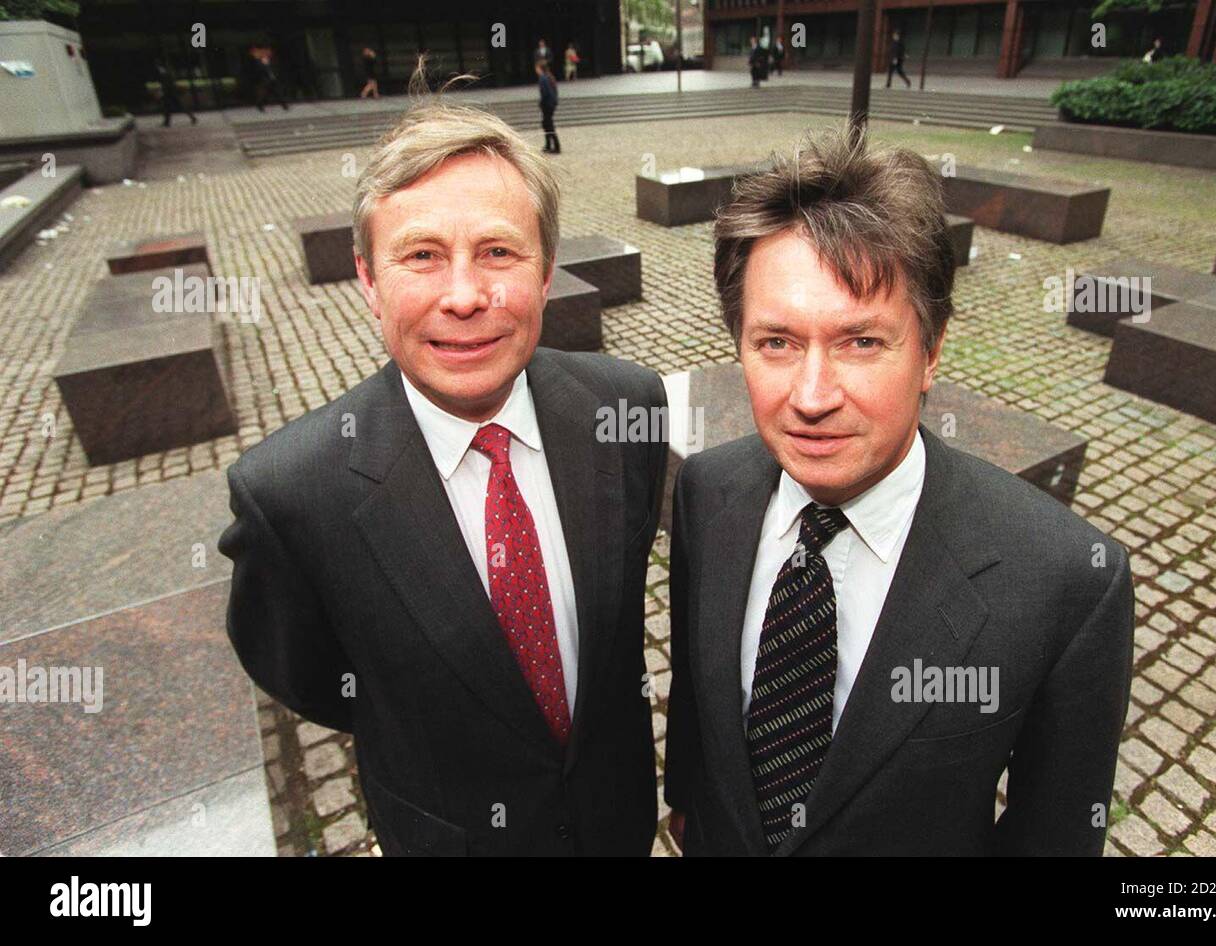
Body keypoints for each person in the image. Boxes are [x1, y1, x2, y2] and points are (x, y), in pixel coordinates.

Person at [663, 125, 1134, 856]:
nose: (812, 396)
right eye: (777, 342)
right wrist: (687, 803)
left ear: (932, 351)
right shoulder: (703, 489)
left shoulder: (1066, 582)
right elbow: (699, 698)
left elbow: (1057, 833)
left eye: (862, 342)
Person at [219, 101, 667, 856]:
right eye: (421, 256)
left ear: (548, 270)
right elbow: (312, 678)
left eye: (498, 252)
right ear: (367, 278)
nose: (464, 296)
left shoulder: (626, 408)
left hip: (617, 821)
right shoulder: (291, 494)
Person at [154, 57, 196, 127]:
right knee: (171, 106)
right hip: (170, 91)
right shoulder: (165, 69)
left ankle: (167, 122)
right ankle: (167, 122)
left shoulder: (162, 70)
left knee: (170, 106)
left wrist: (163, 91)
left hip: (169, 91)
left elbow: (166, 82)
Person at [250, 45, 289, 111]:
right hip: (265, 80)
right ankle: (260, 106)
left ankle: (284, 105)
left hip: (273, 79)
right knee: (263, 94)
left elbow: (276, 68)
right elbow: (258, 71)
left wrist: (276, 75)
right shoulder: (258, 62)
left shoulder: (272, 61)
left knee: (278, 92)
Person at [537, 62, 560, 154]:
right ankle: (548, 145)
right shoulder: (549, 77)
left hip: (547, 105)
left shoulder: (543, 78)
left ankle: (555, 146)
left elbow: (545, 93)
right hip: (551, 104)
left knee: (548, 125)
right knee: (546, 124)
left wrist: (541, 103)